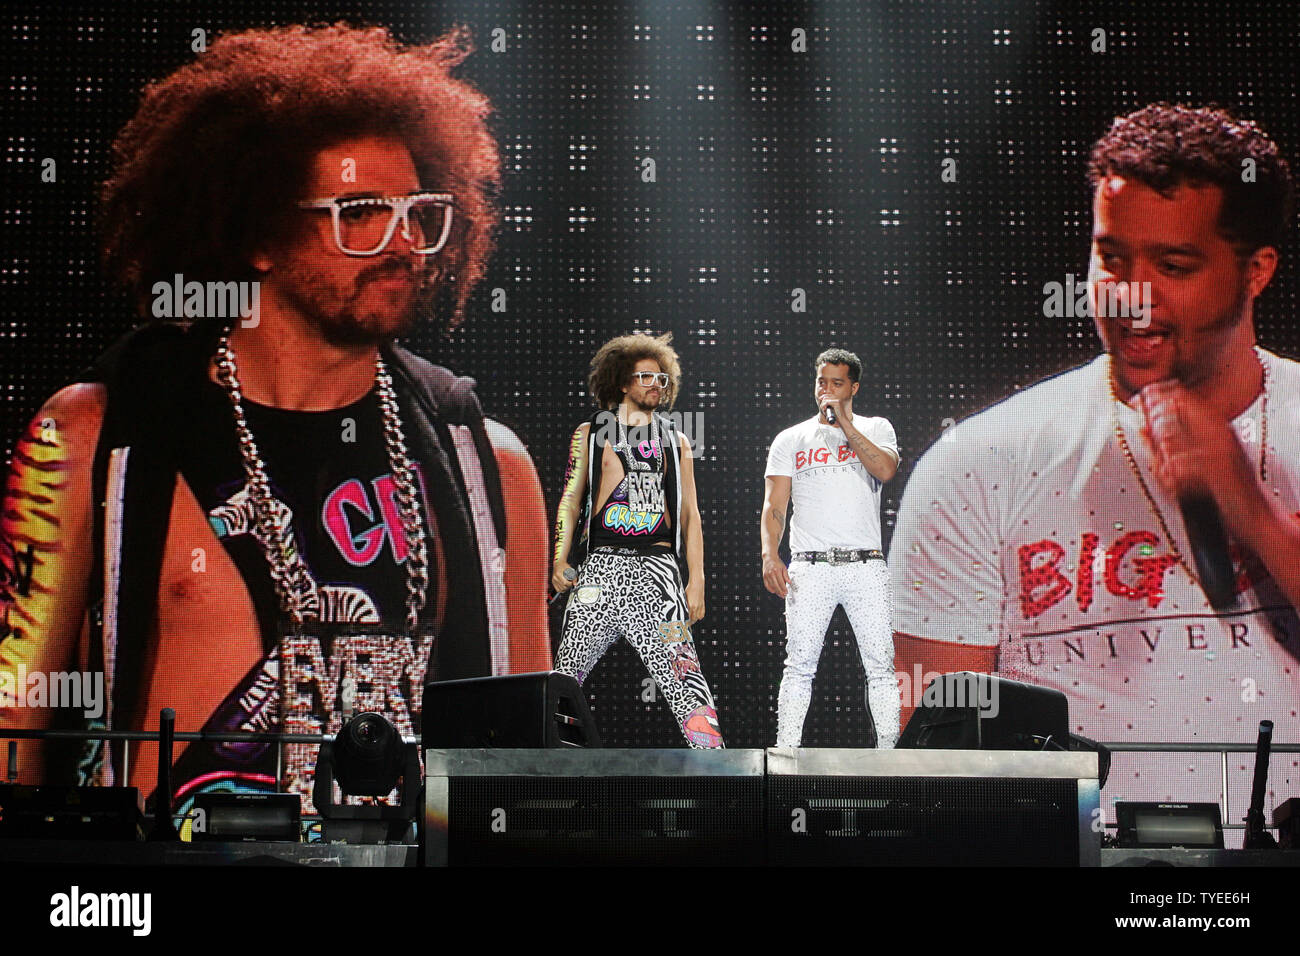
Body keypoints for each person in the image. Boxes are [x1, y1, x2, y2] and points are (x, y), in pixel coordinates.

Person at [0, 25, 551, 808]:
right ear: (258, 234)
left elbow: (526, 767)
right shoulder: (98, 438)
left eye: (419, 212)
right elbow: (11, 727)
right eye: (359, 212)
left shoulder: (487, 465)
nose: (403, 245)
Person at [889, 104, 1299, 813]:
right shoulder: (978, 464)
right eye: (1111, 258)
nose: (1130, 296)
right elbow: (937, 766)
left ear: (1256, 271)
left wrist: (1250, 505)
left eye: (1173, 265)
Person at [550, 333, 723, 748]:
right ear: (622, 382)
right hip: (602, 570)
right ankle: (548, 768)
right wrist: (559, 559)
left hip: (658, 572)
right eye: (645, 376)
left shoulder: (677, 440)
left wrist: (695, 580)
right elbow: (571, 498)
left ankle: (720, 778)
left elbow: (690, 516)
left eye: (661, 377)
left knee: (685, 679)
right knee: (563, 676)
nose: (654, 384)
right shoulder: (592, 433)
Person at [761, 349, 902, 748]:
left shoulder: (877, 428)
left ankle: (889, 755)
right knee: (798, 666)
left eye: (836, 384)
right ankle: (786, 753)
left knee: (881, 667)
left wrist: (843, 424)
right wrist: (771, 555)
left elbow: (886, 470)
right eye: (822, 382)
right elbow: (774, 505)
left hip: (865, 566)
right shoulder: (791, 438)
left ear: (853, 387)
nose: (827, 390)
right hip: (811, 566)